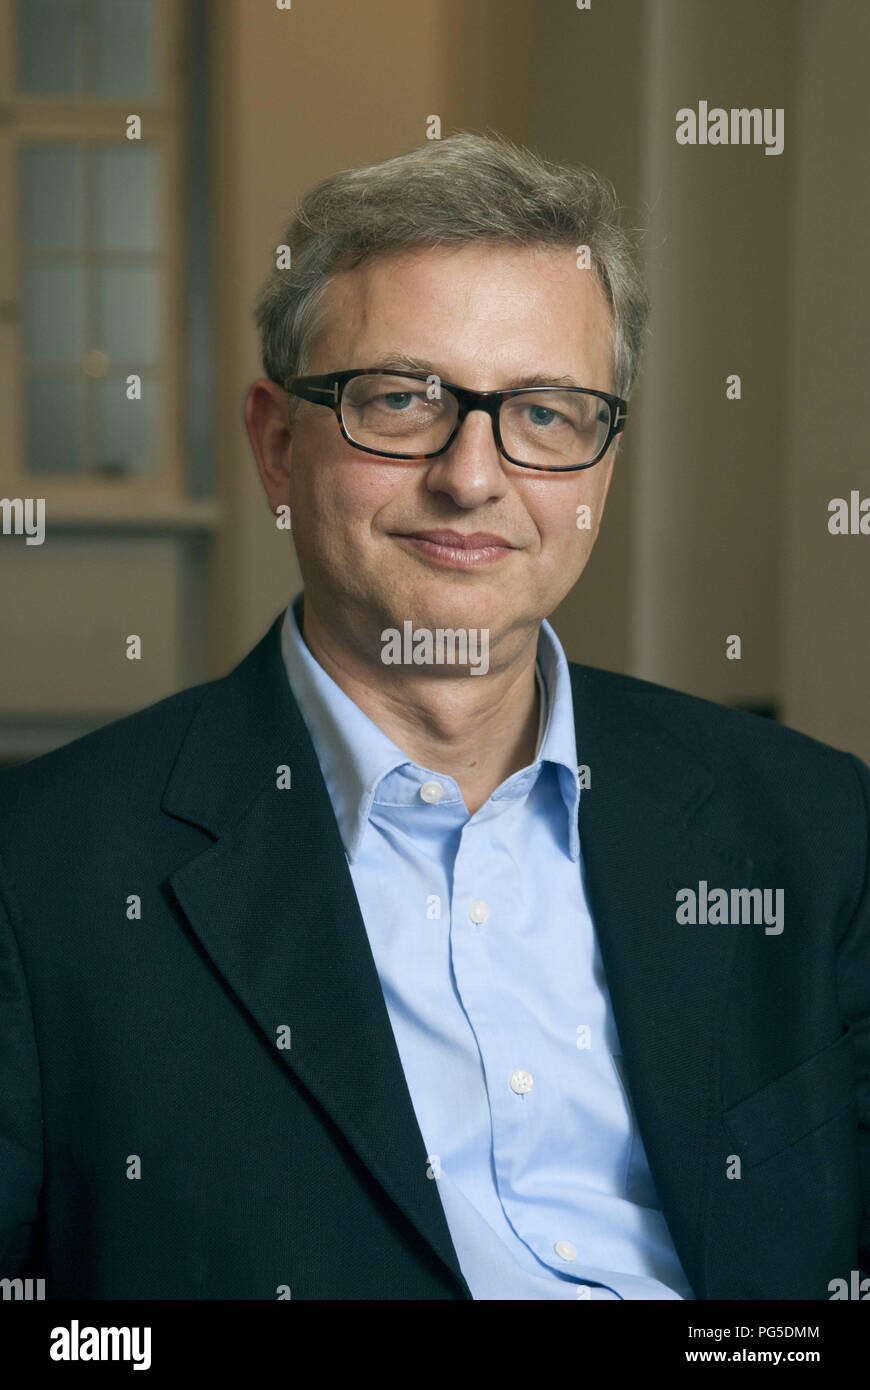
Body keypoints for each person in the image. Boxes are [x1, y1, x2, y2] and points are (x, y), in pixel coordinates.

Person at [1, 132, 867, 1301]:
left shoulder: (815, 828)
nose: (473, 475)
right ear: (276, 444)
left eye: (548, 414)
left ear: (599, 472)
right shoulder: (41, 874)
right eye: (401, 399)